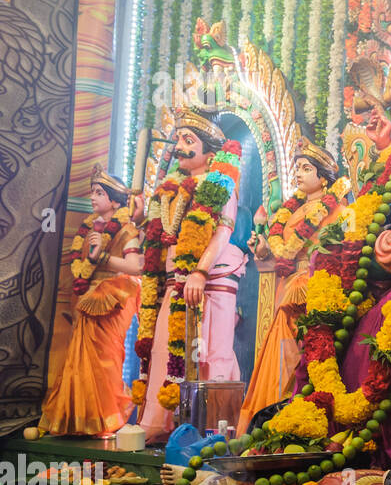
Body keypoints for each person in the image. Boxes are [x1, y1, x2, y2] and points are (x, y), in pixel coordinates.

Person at [136, 111, 248, 443]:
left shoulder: (220, 185)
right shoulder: (169, 190)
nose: (180, 147)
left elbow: (222, 233)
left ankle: (212, 431)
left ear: (210, 155)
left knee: (210, 353)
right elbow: (160, 237)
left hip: (210, 283)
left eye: (189, 141)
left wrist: (199, 271)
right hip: (174, 281)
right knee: (163, 351)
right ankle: (161, 426)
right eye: (179, 140)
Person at [235, 139, 348, 434]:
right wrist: (261, 249)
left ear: (323, 178)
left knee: (298, 356)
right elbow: (281, 251)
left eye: (306, 168)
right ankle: (269, 419)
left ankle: (293, 420)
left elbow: (342, 250)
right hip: (286, 287)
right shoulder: (292, 210)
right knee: (280, 353)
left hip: (314, 290)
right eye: (297, 167)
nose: (298, 173)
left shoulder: (337, 210)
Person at [38, 169, 143, 436]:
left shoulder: (126, 229)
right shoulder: (88, 228)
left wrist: (102, 258)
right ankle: (81, 420)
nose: (93, 197)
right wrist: (91, 259)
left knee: (104, 358)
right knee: (79, 359)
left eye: (100, 193)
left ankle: (108, 419)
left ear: (116, 202)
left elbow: (135, 266)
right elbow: (82, 266)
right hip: (86, 297)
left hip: (111, 298)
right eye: (93, 192)